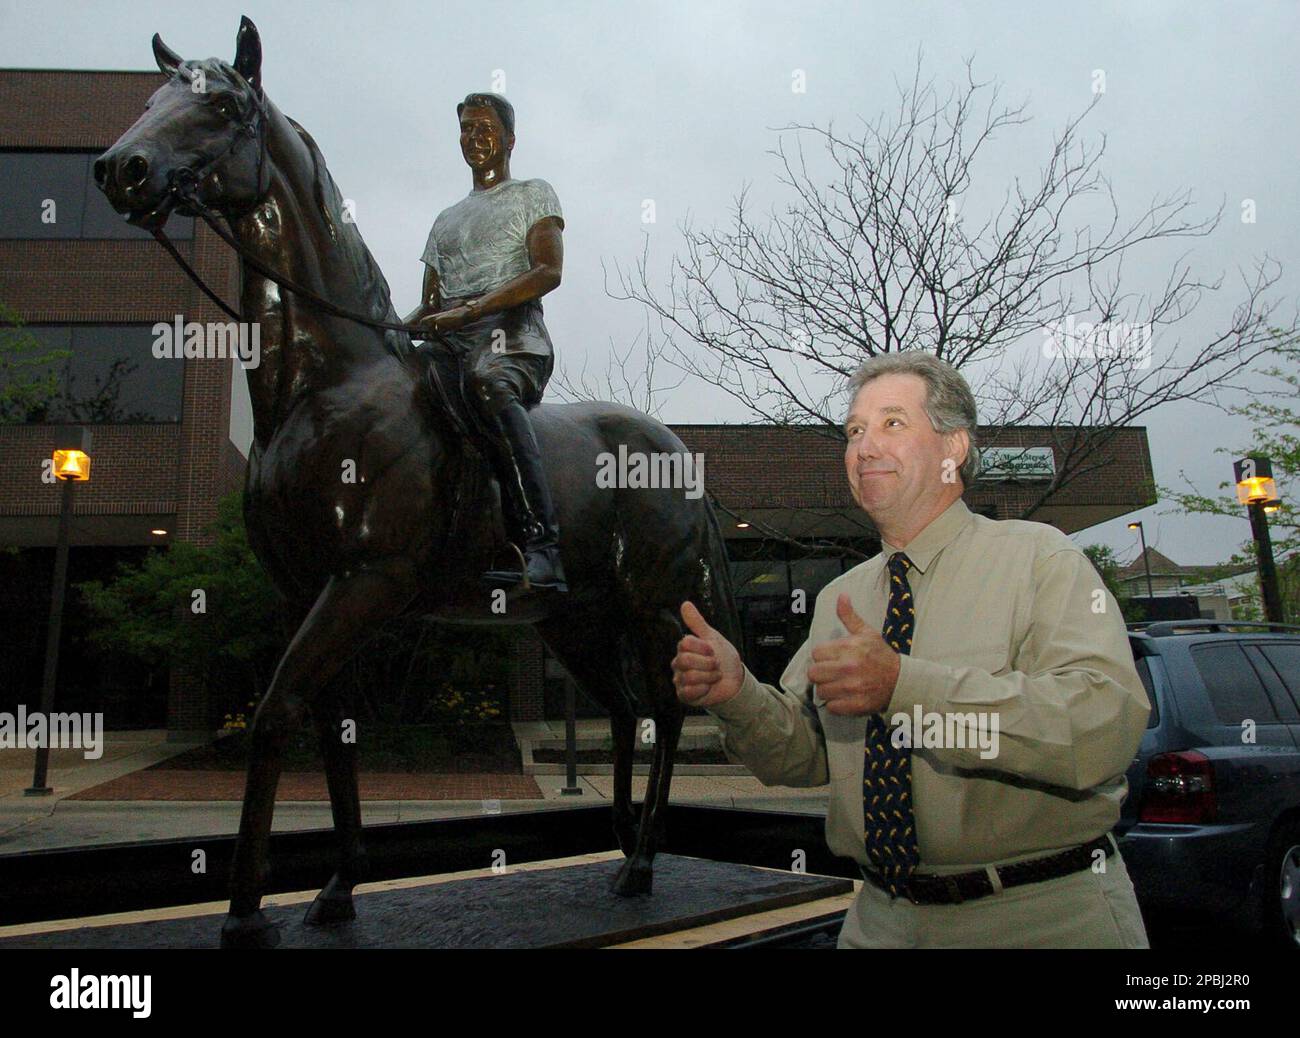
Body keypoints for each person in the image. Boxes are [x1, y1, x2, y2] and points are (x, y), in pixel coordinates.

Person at [672, 352, 1151, 948]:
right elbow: (805, 757)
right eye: (853, 431)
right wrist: (737, 693)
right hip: (880, 920)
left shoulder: (1040, 559)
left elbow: (1100, 729)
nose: (864, 447)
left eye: (892, 423)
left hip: (1041, 917)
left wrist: (904, 686)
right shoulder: (841, 600)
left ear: (953, 447)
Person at [405, 91, 567, 592]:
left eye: (484, 129)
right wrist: (391, 329)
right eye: (466, 130)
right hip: (451, 335)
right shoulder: (444, 221)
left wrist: (472, 310)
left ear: (510, 140)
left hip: (511, 329)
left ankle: (542, 546)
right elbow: (430, 305)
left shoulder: (533, 195)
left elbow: (549, 271)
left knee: (487, 383)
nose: (473, 138)